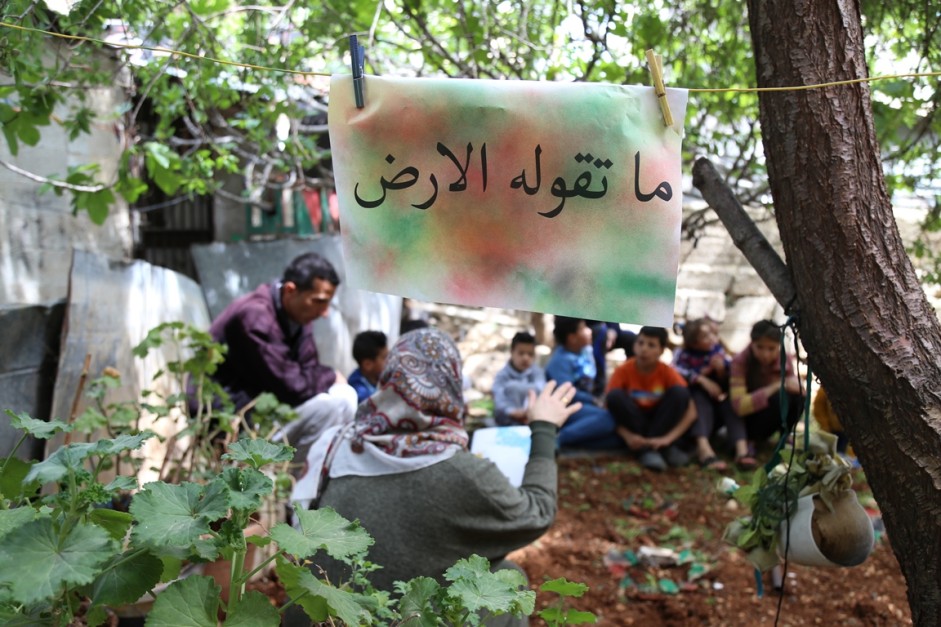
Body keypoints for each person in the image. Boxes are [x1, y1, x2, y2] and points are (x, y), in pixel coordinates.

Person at [293, 327, 581, 620]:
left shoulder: (334, 442)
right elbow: (538, 512)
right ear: (453, 387)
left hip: (317, 615)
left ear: (389, 378)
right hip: (395, 618)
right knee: (509, 578)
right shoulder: (462, 473)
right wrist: (544, 427)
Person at [208, 251, 357, 464]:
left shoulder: (298, 315)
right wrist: (331, 375)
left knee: (345, 397)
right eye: (318, 301)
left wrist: (324, 378)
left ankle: (315, 480)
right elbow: (293, 386)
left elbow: (308, 370)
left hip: (268, 411)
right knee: (333, 404)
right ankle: (295, 484)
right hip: (234, 425)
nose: (324, 312)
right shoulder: (256, 316)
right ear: (290, 290)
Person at [605, 326, 695, 471]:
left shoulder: (667, 372)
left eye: (651, 345)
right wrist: (627, 436)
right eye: (640, 343)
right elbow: (607, 407)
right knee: (615, 396)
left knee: (680, 393)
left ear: (661, 350)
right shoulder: (622, 371)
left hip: (659, 423)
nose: (644, 349)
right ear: (634, 345)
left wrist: (667, 438)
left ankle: (656, 447)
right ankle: (653, 450)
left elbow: (691, 411)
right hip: (635, 423)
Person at [727, 319, 805, 470]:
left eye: (771, 348)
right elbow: (739, 406)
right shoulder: (740, 362)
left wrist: (794, 387)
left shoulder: (784, 359)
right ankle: (750, 440)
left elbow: (798, 389)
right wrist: (775, 386)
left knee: (796, 398)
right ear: (752, 344)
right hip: (749, 418)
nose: (765, 354)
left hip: (771, 413)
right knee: (777, 396)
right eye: (760, 347)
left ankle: (785, 436)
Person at [545, 317, 620, 449]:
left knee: (615, 440)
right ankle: (560, 438)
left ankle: (573, 443)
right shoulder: (559, 361)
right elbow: (567, 393)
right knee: (608, 419)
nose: (589, 331)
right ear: (572, 338)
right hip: (568, 409)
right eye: (583, 328)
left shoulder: (584, 352)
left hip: (587, 407)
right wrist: (593, 400)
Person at [672, 318, 734, 470]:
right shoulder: (683, 354)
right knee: (699, 395)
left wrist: (720, 371)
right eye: (705, 337)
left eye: (711, 334)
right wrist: (700, 378)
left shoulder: (717, 351)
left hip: (716, 405)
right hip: (693, 403)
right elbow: (674, 370)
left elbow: (730, 369)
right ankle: (703, 448)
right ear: (694, 343)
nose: (712, 338)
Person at [492, 331, 546, 426]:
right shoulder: (502, 376)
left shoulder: (537, 372)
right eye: (521, 353)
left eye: (530, 354)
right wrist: (512, 411)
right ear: (512, 352)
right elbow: (499, 400)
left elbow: (542, 391)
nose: (526, 358)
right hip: (508, 422)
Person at [587, 321, 636, 396]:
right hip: (592, 331)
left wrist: (613, 331)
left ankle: (632, 381)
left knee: (630, 337)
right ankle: (599, 388)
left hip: (607, 332)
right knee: (600, 333)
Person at [347, 330, 389, 404]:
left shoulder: (382, 377)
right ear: (368, 365)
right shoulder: (357, 387)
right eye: (385, 358)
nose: (390, 360)